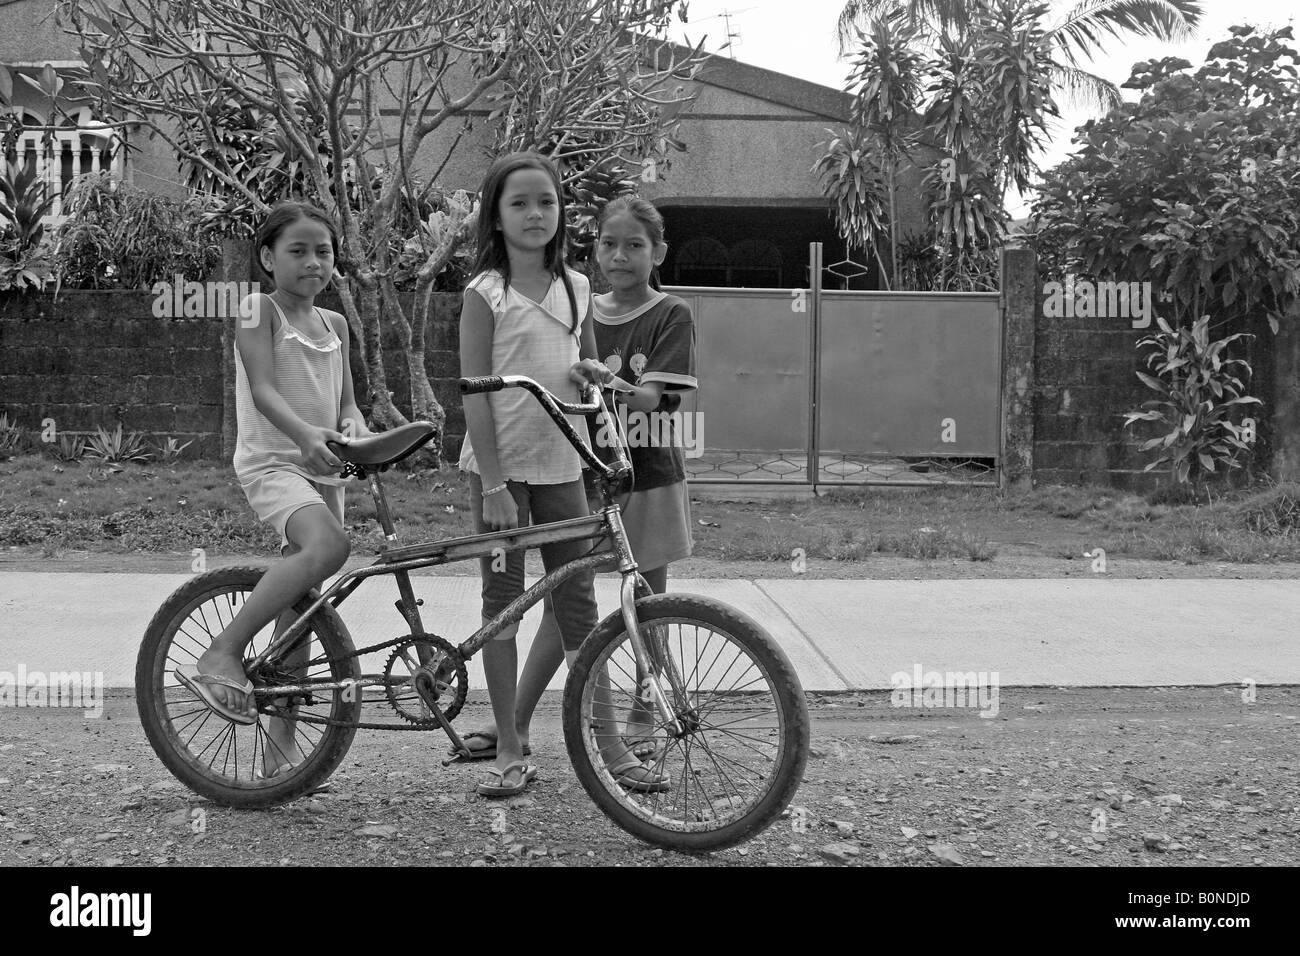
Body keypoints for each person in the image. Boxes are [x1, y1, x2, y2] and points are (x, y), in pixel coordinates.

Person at [453, 194, 695, 791]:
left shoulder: (643, 307)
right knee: (554, 603)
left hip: (642, 475)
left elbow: (662, 398)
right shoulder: (523, 293)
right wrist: (493, 478)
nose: (619, 255)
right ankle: (514, 725)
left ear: (657, 252)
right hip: (581, 471)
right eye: (609, 243)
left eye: (635, 245)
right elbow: (477, 387)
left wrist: (608, 382)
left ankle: (638, 718)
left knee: (636, 601)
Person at [174, 201, 369, 779]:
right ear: (267, 257)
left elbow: (348, 403)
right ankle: (224, 650)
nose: (314, 262)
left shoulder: (333, 324)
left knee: (302, 606)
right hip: (275, 463)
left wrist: (352, 427)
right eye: (298, 251)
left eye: (324, 252)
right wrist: (306, 435)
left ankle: (280, 745)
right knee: (329, 549)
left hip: (325, 467)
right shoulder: (259, 310)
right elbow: (262, 390)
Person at [458, 151, 632, 797]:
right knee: (502, 609)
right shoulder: (485, 294)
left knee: (579, 606)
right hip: (502, 472)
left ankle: (610, 747)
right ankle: (508, 744)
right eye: (519, 203)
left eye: (547, 202)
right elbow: (475, 393)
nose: (535, 214)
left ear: (561, 213)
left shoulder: (576, 287)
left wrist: (594, 375)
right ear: (496, 218)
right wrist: (497, 484)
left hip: (565, 464)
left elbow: (583, 368)